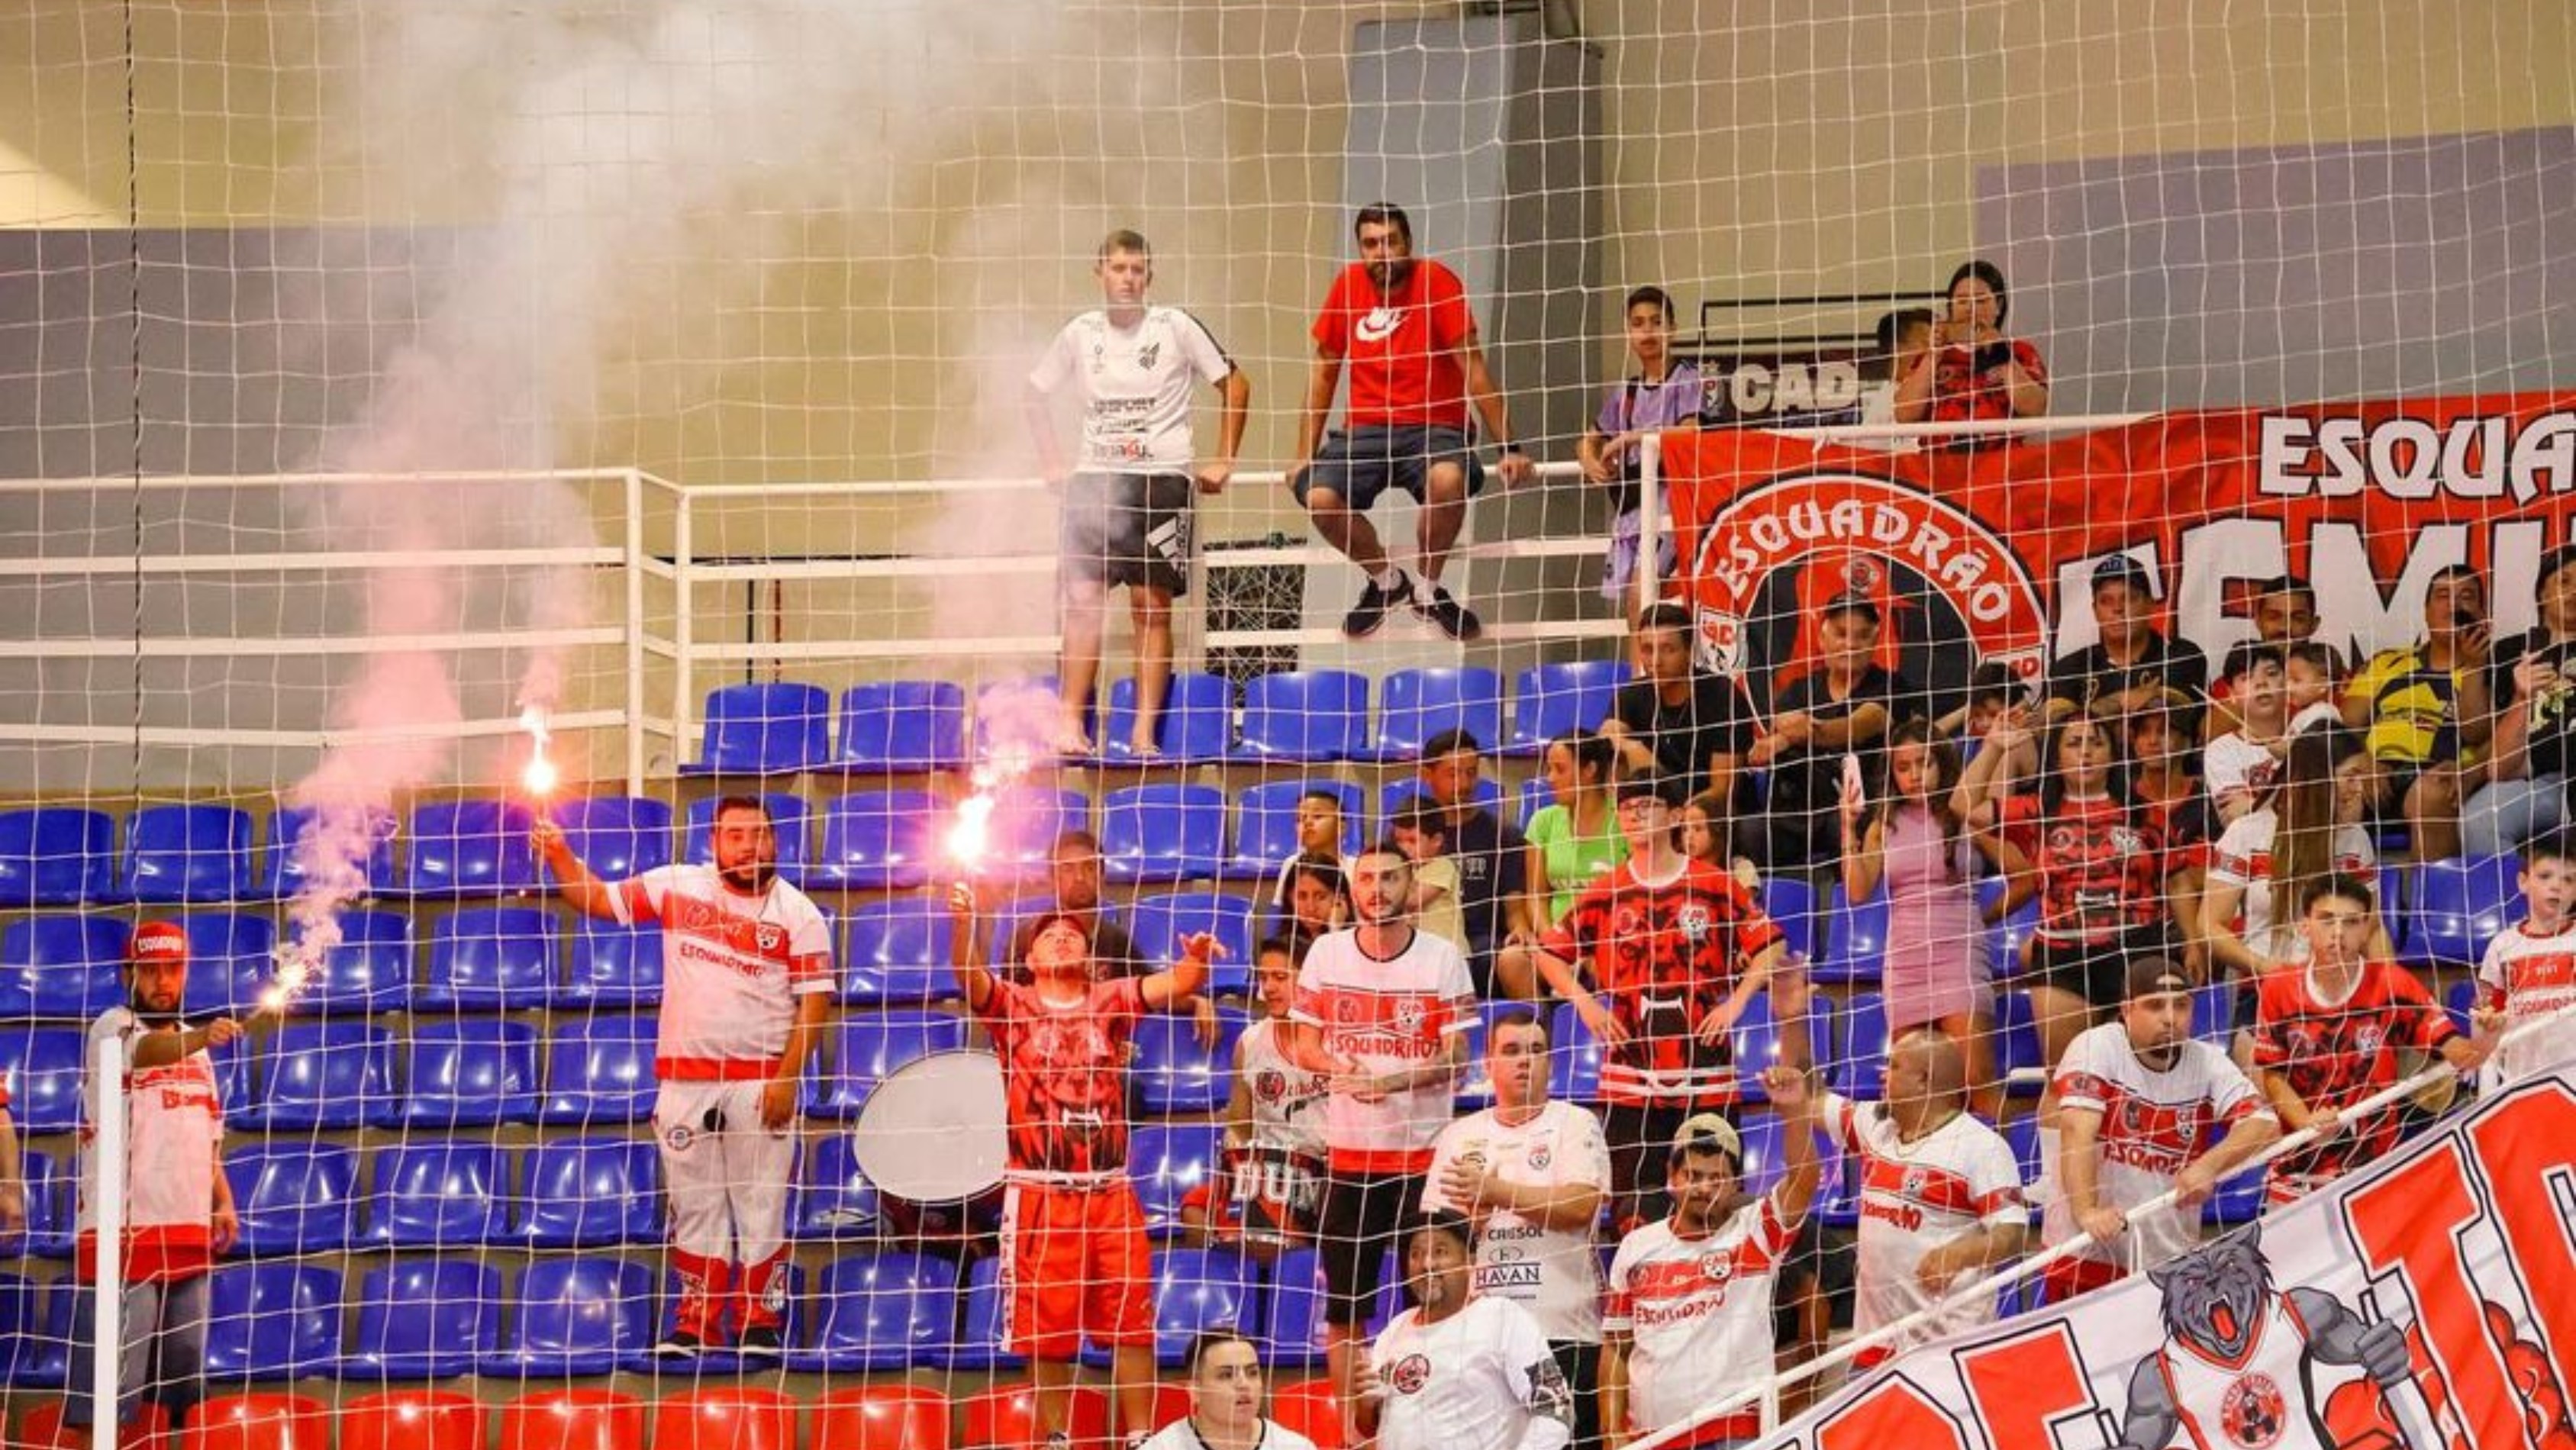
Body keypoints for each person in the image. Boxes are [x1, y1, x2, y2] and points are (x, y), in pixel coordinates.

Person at [534, 797, 834, 1358]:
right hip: (683, 1081)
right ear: (714, 843)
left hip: (760, 1079)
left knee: (761, 1201)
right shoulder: (677, 884)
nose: (750, 845)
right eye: (737, 835)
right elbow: (596, 899)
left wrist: (788, 1081)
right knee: (694, 1204)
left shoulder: (801, 913)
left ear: (776, 841)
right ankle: (695, 1323)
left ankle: (760, 1323)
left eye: (760, 834)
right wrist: (558, 853)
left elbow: (815, 1005)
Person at [949, 896, 1217, 1450]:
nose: (1064, 937)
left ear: (1091, 956)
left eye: (1072, 933)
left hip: (1111, 1191)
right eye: (1049, 936)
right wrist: (962, 924)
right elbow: (967, 974)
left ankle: (1141, 1437)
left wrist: (1196, 962)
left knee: (1132, 1319)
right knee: (1046, 1332)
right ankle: (1058, 1437)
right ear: (1027, 960)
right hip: (1040, 1194)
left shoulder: (1110, 999)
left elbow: (1176, 983)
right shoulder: (1011, 1005)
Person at [1529, 775, 1794, 1231]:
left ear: (1674, 816)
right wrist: (1585, 1004)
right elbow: (1549, 952)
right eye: (1627, 806)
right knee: (1634, 1214)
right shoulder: (1606, 891)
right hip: (1630, 1081)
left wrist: (1738, 1001)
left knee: (1714, 1210)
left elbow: (1771, 944)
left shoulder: (1714, 884)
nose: (1633, 814)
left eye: (1647, 805)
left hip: (1706, 1075)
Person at [1026, 228, 1251, 755]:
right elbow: (1032, 394)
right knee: (1081, 602)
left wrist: (1223, 459)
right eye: (1118, 268)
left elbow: (1236, 384)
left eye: (1136, 270)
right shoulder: (1081, 332)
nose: (1127, 279)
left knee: (1150, 606)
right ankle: (1069, 723)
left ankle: (1142, 732)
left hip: (1161, 481)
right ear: (1099, 271)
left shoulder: (1174, 326)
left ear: (1148, 275)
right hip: (1094, 481)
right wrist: (1052, 463)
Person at [1281, 841, 1478, 1424]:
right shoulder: (1325, 953)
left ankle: (1438, 1418)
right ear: (1352, 886)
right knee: (1344, 1309)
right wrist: (1337, 1068)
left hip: (1423, 1164)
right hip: (1347, 1162)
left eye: (1389, 878)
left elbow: (1458, 1056)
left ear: (1409, 882)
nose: (1376, 891)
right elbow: (1305, 1044)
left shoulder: (1442, 957)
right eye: (1365, 879)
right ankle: (1355, 1429)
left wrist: (1395, 1081)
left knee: (1438, 1298)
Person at [1289, 202, 1536, 641]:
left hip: (1434, 427)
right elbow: (1324, 371)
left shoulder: (1437, 282)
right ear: (1359, 249)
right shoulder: (1346, 287)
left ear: (1408, 244)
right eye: (1370, 244)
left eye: (1390, 242)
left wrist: (1509, 447)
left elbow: (1474, 368)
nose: (1381, 253)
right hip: (1364, 432)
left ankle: (1427, 589)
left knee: (1446, 480)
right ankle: (1386, 582)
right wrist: (1302, 453)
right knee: (1319, 497)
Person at [63, 922, 242, 1444]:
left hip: (187, 1228)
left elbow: (206, 1136)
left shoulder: (200, 1055)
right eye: (151, 970)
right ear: (129, 974)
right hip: (124, 1231)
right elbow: (140, 1056)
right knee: (114, 1376)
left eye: (174, 968)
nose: (163, 980)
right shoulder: (111, 1027)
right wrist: (199, 1037)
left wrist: (224, 1202)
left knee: (185, 1371)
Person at [1600, 1074, 1821, 1450]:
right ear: (1672, 1178)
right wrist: (1610, 1434)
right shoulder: (1637, 1246)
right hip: (1654, 1436)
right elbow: (1616, 1348)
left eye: (1718, 1178)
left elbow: (1803, 1180)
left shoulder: (1757, 1233)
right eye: (1693, 1176)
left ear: (1737, 1185)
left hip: (1735, 1432)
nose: (1704, 1188)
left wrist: (1794, 1112)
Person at [1423, 1008, 1612, 1448]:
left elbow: (1581, 1206)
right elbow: (1435, 1238)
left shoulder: (1575, 1121)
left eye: (1536, 1050)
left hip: (1563, 1331)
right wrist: (1475, 1218)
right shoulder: (1458, 1135)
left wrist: (1494, 1189)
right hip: (1480, 1339)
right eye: (1511, 1051)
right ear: (1488, 1065)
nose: (1525, 1060)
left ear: (1552, 1061)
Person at [2042, 959, 2279, 1302]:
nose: (2171, 1018)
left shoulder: (2207, 1060)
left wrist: (2209, 1165)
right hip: (2085, 1252)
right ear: (2126, 1009)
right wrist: (2086, 1211)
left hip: (2167, 1258)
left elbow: (2265, 1124)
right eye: (2155, 1006)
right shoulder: (2096, 1046)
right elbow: (2077, 1130)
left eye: (2181, 1006)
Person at [1959, 711, 2177, 1072]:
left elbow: (2176, 880)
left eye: (2096, 742)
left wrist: (2195, 941)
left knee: (2146, 1079)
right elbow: (1962, 808)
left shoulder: (2144, 813)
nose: (2086, 752)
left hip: (2137, 952)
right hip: (2064, 958)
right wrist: (1992, 748)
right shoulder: (2037, 811)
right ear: (2056, 758)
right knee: (2066, 1082)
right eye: (2074, 743)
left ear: (2113, 754)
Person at [2251, 876, 2485, 1207]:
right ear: (2305, 926)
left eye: (2351, 922)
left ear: (2366, 930)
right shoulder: (2279, 987)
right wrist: (2306, 1122)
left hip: (2373, 1168)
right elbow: (2273, 1075)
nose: (2338, 933)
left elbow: (2459, 1053)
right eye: (2327, 919)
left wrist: (2487, 1036)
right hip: (2297, 1168)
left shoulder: (2392, 984)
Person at [1840, 719, 2033, 1115]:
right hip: (1905, 961)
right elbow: (1857, 893)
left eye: (1924, 764)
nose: (1914, 776)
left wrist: (1983, 917)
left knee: (1977, 1079)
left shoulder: (1966, 815)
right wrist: (1848, 827)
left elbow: (2027, 878)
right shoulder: (1883, 823)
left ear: (1942, 764)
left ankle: (1997, 1173)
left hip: (1959, 958)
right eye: (1904, 767)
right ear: (1892, 773)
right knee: (1911, 1088)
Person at [1819, 1028, 2028, 1370]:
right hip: (1875, 1346)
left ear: (1923, 1080)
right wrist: (1792, 1019)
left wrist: (1960, 1253)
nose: (1884, 1074)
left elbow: (2013, 1234)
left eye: (1895, 1066)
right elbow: (1806, 1101)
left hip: (1947, 1351)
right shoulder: (1877, 1127)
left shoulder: (1982, 1147)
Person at [1356, 1210, 1575, 1450]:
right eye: (1416, 1254)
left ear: (1470, 1259)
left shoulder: (1501, 1317)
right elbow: (1369, 1429)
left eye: (1440, 1251)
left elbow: (1556, 1406)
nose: (1426, 1264)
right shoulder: (1394, 1330)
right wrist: (1366, 1407)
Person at [1743, 591, 1910, 874]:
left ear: (1875, 643)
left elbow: (1858, 726)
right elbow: (1781, 722)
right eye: (1841, 633)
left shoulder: (1892, 686)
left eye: (1862, 635)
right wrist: (1781, 737)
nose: (1851, 644)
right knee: (1749, 833)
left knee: (1859, 827)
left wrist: (1795, 735)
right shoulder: (1799, 689)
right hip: (1798, 813)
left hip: (1861, 809)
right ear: (1822, 640)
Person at [2200, 727, 2383, 983]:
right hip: (2264, 984)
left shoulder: (2356, 838)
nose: (2359, 789)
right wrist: (2266, 967)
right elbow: (2210, 927)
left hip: (2339, 985)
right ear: (2317, 777)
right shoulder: (2245, 833)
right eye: (2350, 777)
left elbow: (2372, 927)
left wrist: (2391, 988)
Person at [2340, 561, 2490, 861]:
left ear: (2482, 614)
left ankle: (2431, 903)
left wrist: (2474, 667)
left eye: (2466, 597)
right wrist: (2364, 761)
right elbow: (2347, 724)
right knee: (2324, 787)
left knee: (2432, 792)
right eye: (2443, 596)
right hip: (2374, 768)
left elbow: (2479, 734)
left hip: (2436, 773)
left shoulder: (2496, 668)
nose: (2453, 605)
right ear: (2426, 610)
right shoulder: (2387, 662)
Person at [1577, 286, 1701, 627]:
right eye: (1638, 323)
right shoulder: (1627, 391)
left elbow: (1692, 431)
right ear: (1628, 331)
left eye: (1656, 322)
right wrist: (1589, 458)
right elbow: (1590, 437)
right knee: (1633, 608)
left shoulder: (1688, 378)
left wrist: (1636, 438)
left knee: (1642, 594)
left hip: (1672, 501)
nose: (1647, 331)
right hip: (1632, 508)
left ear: (1672, 328)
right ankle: (1639, 679)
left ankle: (1650, 679)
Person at [1201, 939, 1329, 1260]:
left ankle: (1283, 1295)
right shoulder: (1250, 1041)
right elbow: (1240, 1128)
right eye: (1263, 977)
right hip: (1268, 1171)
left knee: (1287, 1232)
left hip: (1328, 1173)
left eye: (1281, 978)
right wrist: (1237, 1163)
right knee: (1195, 1210)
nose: (1269, 987)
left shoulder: (1336, 1037)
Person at [2462, 543, 2576, 858]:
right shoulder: (2513, 651)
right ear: (2542, 594)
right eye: (2564, 581)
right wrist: (2523, 696)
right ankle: (2511, 907)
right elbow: (2491, 753)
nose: (2574, 591)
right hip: (2543, 778)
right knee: (2482, 816)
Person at [1601, 602, 1756, 816]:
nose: (1655, 661)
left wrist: (1673, 813)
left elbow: (1722, 791)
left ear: (1689, 650)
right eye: (1648, 650)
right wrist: (1633, 748)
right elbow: (1606, 737)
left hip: (1710, 818)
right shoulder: (1633, 694)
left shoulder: (1722, 695)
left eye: (1668, 649)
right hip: (1657, 815)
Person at [1420, 730, 1538, 999]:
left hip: (1484, 944)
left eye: (1471, 773)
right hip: (1428, 939)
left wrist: (1520, 930)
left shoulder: (1503, 833)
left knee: (1507, 957)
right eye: (1453, 774)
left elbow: (1515, 910)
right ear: (1427, 775)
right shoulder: (1411, 835)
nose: (1464, 783)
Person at [2045, 557, 2211, 733]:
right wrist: (2123, 700)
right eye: (2106, 601)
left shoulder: (2181, 655)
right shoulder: (2071, 667)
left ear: (2150, 604)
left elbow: (2176, 713)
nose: (2117, 608)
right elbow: (2055, 728)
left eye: (2129, 598)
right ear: (2095, 611)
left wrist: (2087, 714)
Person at [1889, 259, 2049, 432]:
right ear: (1950, 306)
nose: (1970, 309)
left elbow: (2035, 409)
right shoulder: (1931, 355)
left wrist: (2001, 355)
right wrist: (1932, 357)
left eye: (1980, 301)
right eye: (1962, 301)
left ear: (1999, 306)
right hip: (1941, 458)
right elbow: (1904, 416)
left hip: (2003, 456)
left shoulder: (2020, 351)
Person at [2474, 829, 2576, 1084]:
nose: (2556, 886)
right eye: (2545, 876)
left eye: (2569, 880)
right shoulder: (2502, 945)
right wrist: (2485, 1021)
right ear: (2523, 881)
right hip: (2522, 1079)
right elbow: (2485, 1015)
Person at [1138, 1330, 1322, 1450]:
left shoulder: (1295, 1447)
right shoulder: (1162, 1447)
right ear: (1195, 1391)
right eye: (1226, 1375)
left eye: (1252, 1373)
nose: (1244, 1384)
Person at [1521, 728, 1628, 930]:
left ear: (1590, 770)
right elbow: (1536, 897)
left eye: (1560, 769)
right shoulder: (1543, 821)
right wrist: (1551, 942)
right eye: (1549, 769)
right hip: (1557, 938)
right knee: (1512, 960)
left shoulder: (1625, 818)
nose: (1550, 778)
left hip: (1614, 934)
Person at [2204, 643, 2291, 826]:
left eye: (2272, 673)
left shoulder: (2312, 737)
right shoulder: (2221, 750)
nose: (2261, 683)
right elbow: (2236, 816)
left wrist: (2255, 806)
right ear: (2231, 693)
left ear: (2288, 683)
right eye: (2247, 677)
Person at [1390, 801, 1469, 956]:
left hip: (1451, 953)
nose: (1403, 848)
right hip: (1421, 953)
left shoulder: (1442, 866)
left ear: (1436, 841)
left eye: (1412, 841)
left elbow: (1414, 901)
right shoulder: (1406, 870)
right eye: (1399, 841)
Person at [1269, 789, 1352, 920]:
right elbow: (1279, 919)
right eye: (1300, 819)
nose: (1307, 823)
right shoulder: (1292, 864)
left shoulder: (1356, 867)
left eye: (1318, 816)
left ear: (1341, 827)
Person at [1279, 853, 1351, 959]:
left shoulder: (1359, 943)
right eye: (1302, 897)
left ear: (1340, 899)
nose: (1311, 908)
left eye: (1321, 897)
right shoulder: (1280, 948)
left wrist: (1335, 930)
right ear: (1289, 899)